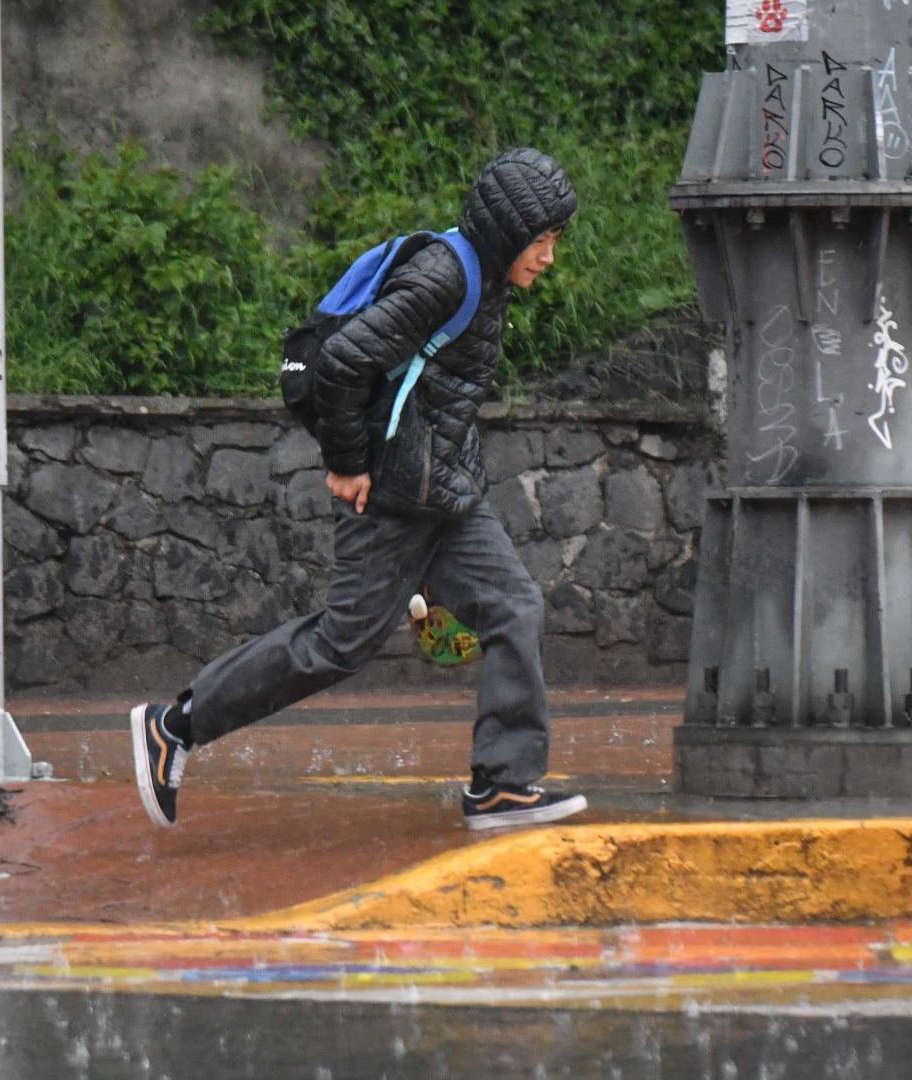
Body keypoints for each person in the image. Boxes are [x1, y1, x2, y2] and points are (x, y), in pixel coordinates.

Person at [131, 148, 586, 832]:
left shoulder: (484, 277)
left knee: (513, 605)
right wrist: (347, 461)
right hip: (391, 499)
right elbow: (345, 361)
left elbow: (431, 394)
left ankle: (501, 784)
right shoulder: (446, 277)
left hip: (443, 495)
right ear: (508, 230)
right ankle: (177, 725)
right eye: (543, 240)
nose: (549, 257)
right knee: (337, 645)